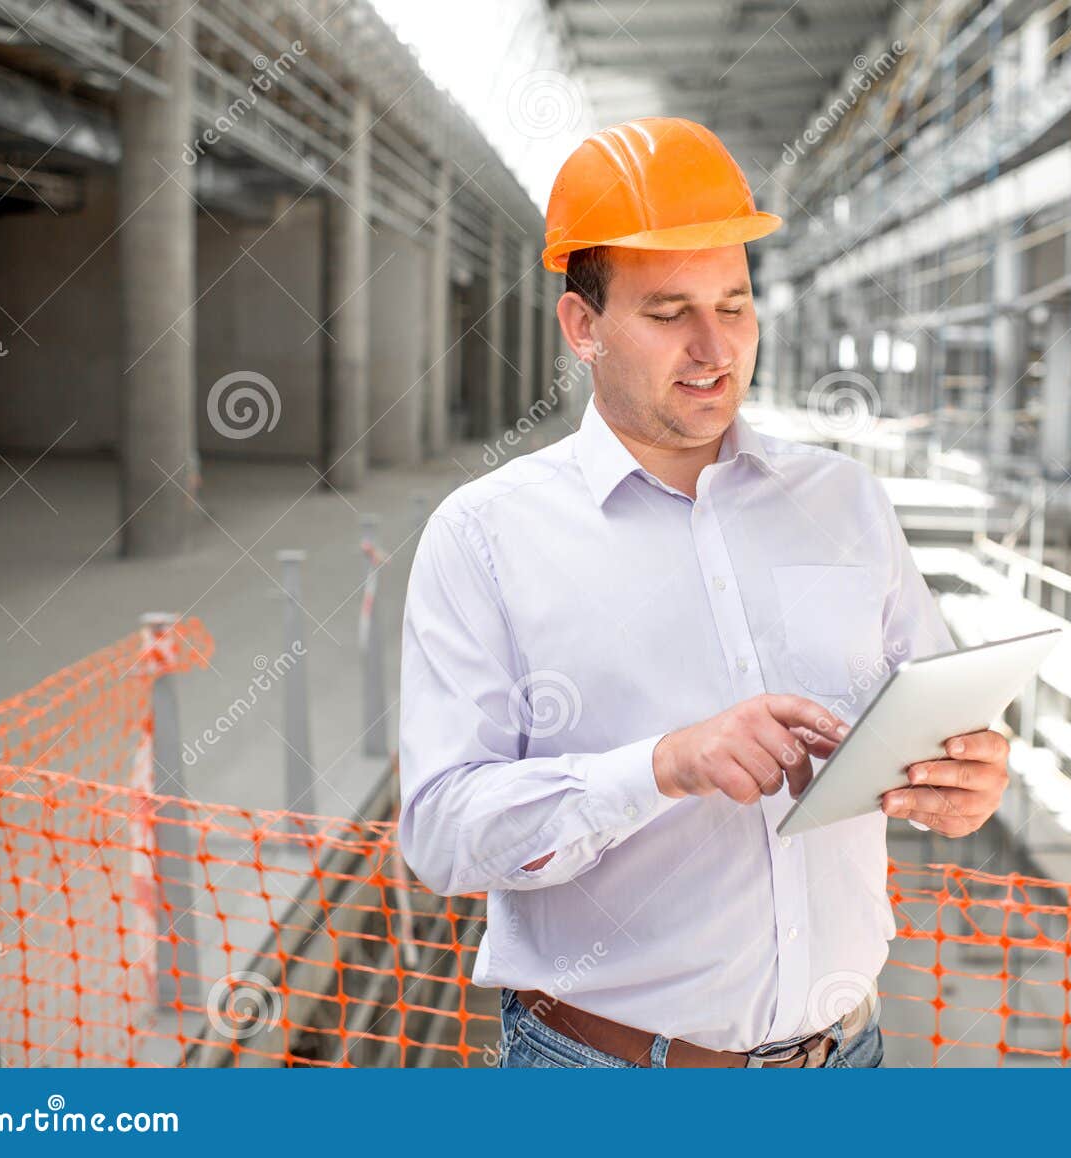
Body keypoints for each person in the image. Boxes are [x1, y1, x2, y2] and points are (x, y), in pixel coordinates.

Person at [397, 116, 1010, 1069]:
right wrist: (663, 767)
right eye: (668, 310)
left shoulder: (844, 502)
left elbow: (929, 718)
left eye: (734, 303)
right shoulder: (485, 538)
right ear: (583, 326)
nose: (713, 346)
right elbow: (440, 834)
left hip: (848, 1058)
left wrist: (963, 779)